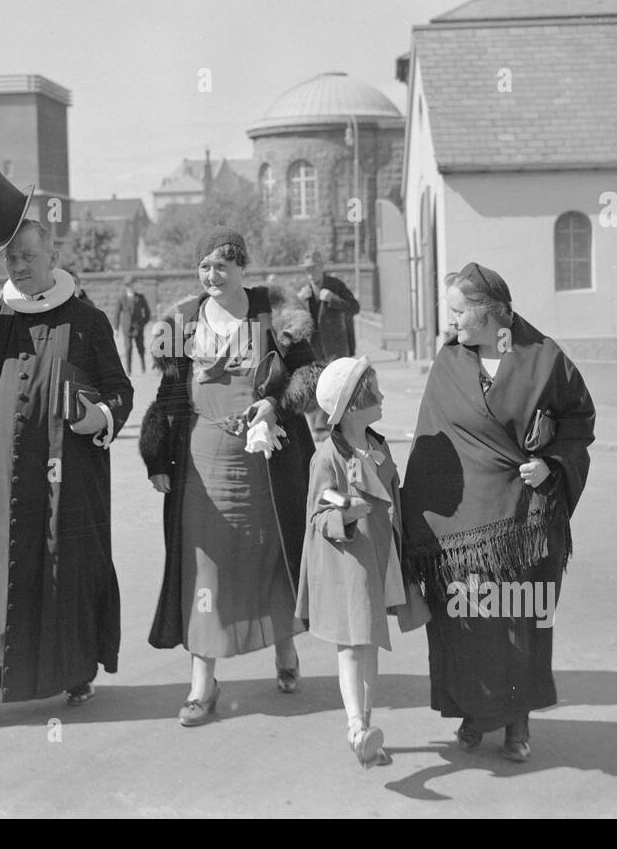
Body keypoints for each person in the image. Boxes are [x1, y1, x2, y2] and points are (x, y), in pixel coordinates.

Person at [0, 216, 133, 724]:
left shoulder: (87, 320)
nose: (19, 266)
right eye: (11, 259)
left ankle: (75, 669)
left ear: (52, 257)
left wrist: (95, 417)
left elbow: (120, 391)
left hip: (67, 476)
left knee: (65, 568)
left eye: (29, 257)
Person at [401, 262, 594, 763]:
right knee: (463, 621)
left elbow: (580, 421)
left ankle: (516, 722)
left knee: (516, 621)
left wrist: (551, 465)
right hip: (459, 524)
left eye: (459, 312)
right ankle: (473, 712)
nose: (452, 322)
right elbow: (430, 444)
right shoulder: (449, 360)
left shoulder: (544, 359)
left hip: (524, 517)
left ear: (491, 315)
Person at [140, 228, 320, 726]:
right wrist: (156, 454)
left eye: (222, 265)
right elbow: (170, 395)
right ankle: (202, 684)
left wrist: (274, 403)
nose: (212, 275)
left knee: (272, 553)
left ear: (242, 267)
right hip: (201, 460)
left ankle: (285, 647)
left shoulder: (274, 316)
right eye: (204, 267)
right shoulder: (184, 323)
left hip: (268, 459)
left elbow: (311, 377)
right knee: (206, 568)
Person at [298, 357, 428, 767]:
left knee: (369, 644)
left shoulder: (378, 446)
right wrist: (346, 511)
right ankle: (356, 726)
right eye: (373, 390)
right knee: (353, 647)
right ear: (353, 406)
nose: (383, 395)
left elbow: (393, 496)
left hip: (380, 557)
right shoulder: (327, 457)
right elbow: (321, 508)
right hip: (348, 565)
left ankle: (365, 730)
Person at [297, 250, 360, 441]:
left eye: (314, 269)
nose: (311, 273)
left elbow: (354, 307)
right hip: (313, 347)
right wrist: (300, 301)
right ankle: (320, 426)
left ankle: (323, 426)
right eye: (307, 270)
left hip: (335, 346)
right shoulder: (304, 291)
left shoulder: (335, 285)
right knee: (315, 387)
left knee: (334, 386)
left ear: (322, 268)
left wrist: (331, 297)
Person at [113, 276, 151, 374]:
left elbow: (147, 312)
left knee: (140, 347)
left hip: (138, 327)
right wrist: (116, 328)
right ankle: (128, 370)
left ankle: (143, 367)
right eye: (128, 285)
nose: (130, 287)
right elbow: (117, 314)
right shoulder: (121, 298)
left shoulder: (140, 297)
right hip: (127, 328)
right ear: (125, 287)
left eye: (132, 285)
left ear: (134, 286)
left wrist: (143, 323)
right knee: (128, 348)